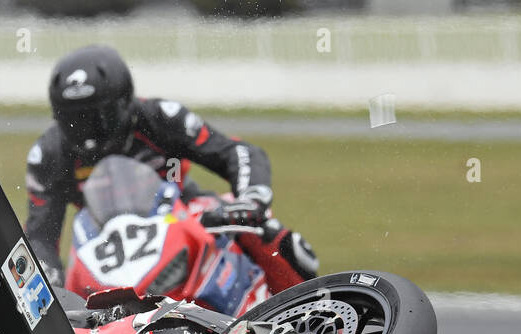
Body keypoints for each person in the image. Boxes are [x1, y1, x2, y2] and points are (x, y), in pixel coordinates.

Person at [24, 44, 319, 293]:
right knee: (62, 293)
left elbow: (236, 152)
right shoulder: (48, 154)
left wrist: (251, 200)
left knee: (262, 232)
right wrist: (46, 275)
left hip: (181, 212)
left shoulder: (160, 118)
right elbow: (40, 235)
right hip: (105, 242)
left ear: (125, 102)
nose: (89, 135)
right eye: (75, 121)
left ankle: (309, 312)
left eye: (99, 117)